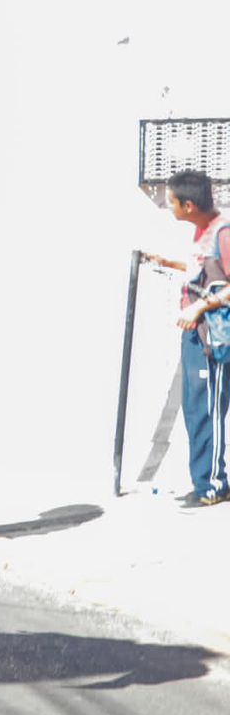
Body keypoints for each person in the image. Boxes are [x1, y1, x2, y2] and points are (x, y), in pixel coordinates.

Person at [152, 170, 230, 507]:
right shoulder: (202, 231)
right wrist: (164, 262)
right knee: (196, 409)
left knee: (210, 409)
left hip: (213, 337)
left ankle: (213, 485)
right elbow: (200, 271)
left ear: (189, 204)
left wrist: (199, 307)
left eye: (171, 202)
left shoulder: (224, 233)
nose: (168, 207)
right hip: (195, 335)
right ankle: (203, 481)